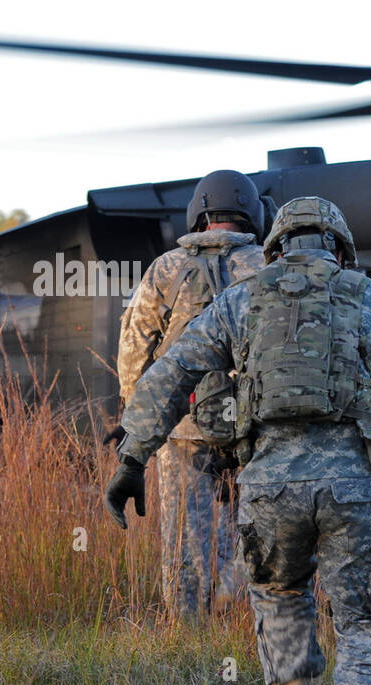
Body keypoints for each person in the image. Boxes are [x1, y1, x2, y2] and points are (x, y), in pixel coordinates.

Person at [104, 196, 371, 685]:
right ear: (339, 247)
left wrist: (132, 459)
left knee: (278, 592)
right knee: (362, 617)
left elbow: (169, 374)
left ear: (275, 248)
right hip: (356, 488)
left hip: (267, 488)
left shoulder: (241, 301)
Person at [115, 169, 266, 618]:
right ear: (251, 214)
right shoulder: (268, 266)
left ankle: (187, 637)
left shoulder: (165, 268)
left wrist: (138, 419)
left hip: (180, 428)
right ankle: (238, 612)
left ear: (198, 213)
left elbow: (134, 349)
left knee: (184, 542)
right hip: (254, 427)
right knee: (261, 532)